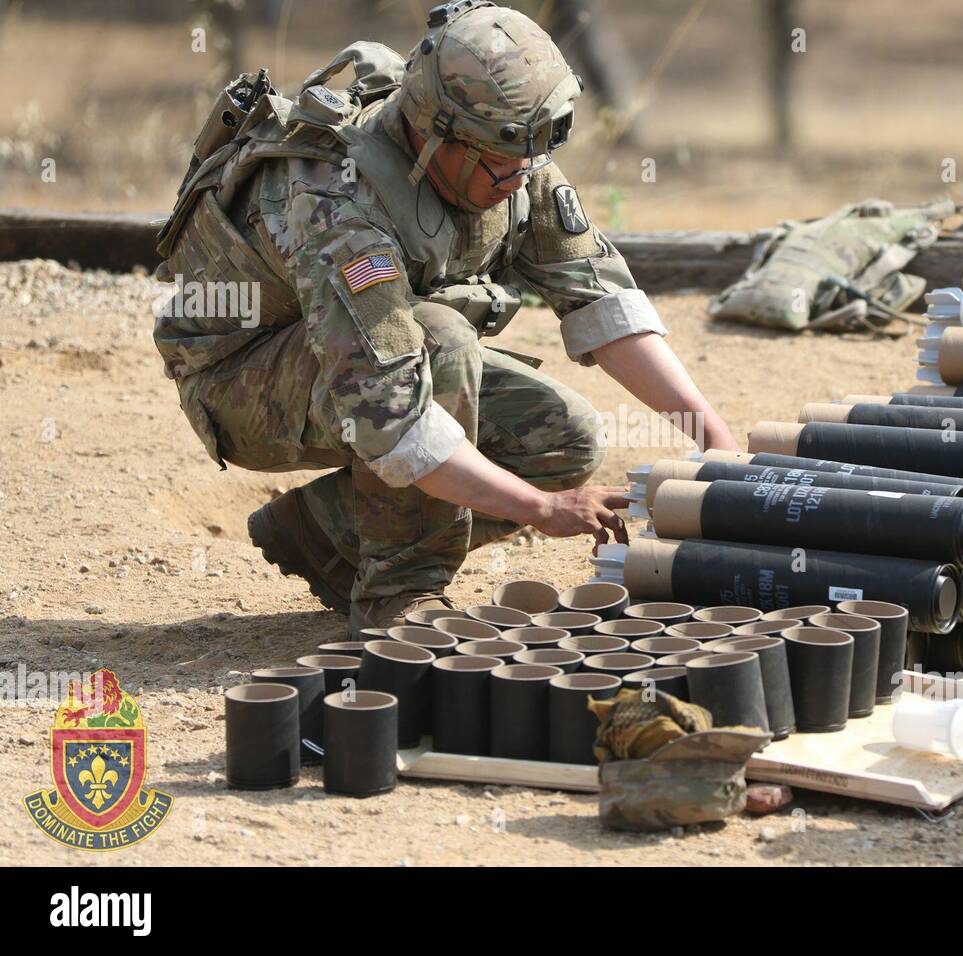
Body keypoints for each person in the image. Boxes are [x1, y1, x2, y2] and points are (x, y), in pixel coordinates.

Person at [152, 0, 737, 636]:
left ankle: (325, 535)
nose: (520, 177)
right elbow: (392, 415)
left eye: (530, 158)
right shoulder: (337, 201)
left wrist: (716, 440)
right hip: (240, 382)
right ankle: (397, 591)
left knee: (563, 436)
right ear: (435, 133)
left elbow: (599, 300)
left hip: (351, 361)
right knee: (444, 339)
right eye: (501, 161)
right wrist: (540, 508)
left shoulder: (505, 149)